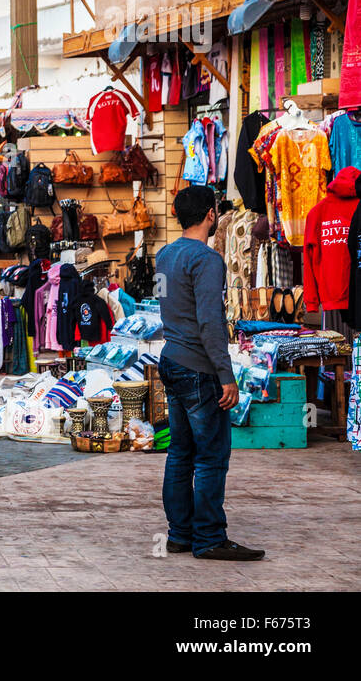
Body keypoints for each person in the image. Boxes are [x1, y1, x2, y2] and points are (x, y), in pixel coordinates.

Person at [155, 186, 264, 561]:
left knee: (180, 453)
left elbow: (165, 305)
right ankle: (209, 537)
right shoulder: (207, 260)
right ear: (210, 215)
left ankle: (180, 534)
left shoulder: (164, 255)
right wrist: (226, 374)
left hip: (171, 359)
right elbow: (210, 322)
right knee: (211, 456)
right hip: (199, 367)